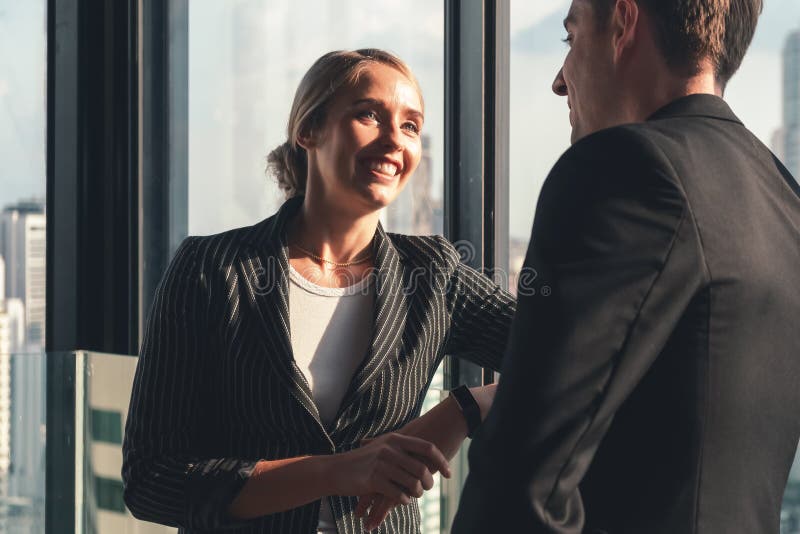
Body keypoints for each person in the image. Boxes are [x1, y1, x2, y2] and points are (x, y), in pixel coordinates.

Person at [121, 49, 516, 534]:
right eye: (369, 115)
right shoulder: (212, 269)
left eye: (411, 125)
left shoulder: (434, 274)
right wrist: (335, 471)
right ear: (308, 131)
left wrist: (465, 409)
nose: (395, 139)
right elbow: (150, 480)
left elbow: (577, 354)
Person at [452, 0, 800, 533]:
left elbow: (521, 486)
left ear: (623, 22)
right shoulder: (783, 199)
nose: (558, 82)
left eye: (570, 40)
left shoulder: (623, 169)